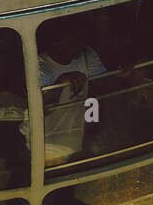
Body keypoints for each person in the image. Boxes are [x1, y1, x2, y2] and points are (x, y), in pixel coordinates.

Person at [36, 17, 108, 165]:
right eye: (73, 41)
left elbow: (102, 86)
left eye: (81, 39)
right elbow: (42, 105)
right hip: (53, 132)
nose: (79, 45)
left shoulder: (87, 54)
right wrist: (61, 82)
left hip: (82, 125)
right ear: (56, 41)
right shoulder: (40, 64)